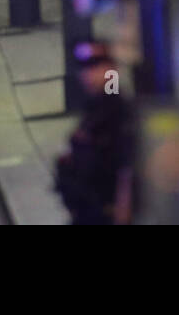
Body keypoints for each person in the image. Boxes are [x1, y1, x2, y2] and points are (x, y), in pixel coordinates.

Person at [55, 41, 136, 225]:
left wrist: (122, 213)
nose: (87, 74)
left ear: (110, 68)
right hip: (87, 212)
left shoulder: (115, 112)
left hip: (104, 213)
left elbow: (126, 167)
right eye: (84, 68)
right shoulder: (95, 107)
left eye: (95, 66)